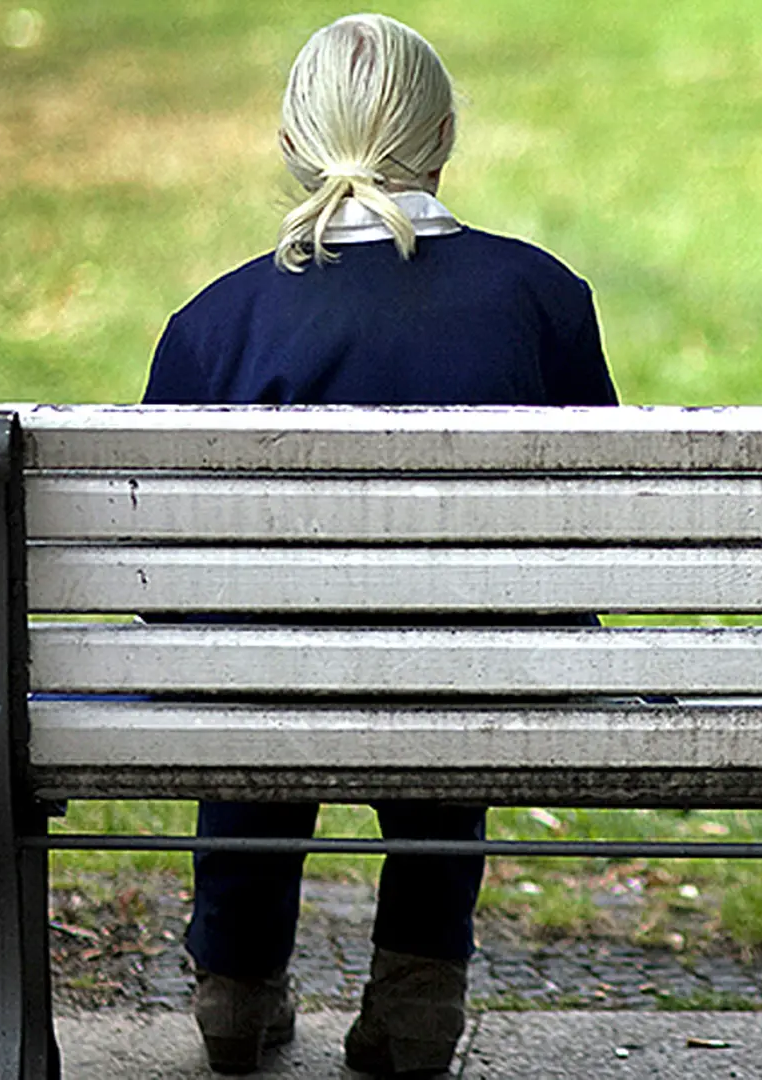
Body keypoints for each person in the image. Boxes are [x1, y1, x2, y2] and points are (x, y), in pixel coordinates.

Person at [142, 13, 618, 1077]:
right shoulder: (538, 297)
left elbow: (158, 590)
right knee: (451, 660)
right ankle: (417, 994)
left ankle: (236, 983)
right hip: (470, 681)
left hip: (263, 692)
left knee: (251, 669)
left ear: (289, 143)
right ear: (445, 137)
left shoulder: (214, 323)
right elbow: (593, 530)